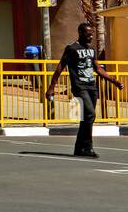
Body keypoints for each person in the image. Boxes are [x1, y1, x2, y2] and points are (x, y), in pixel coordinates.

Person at [46, 22, 124, 158]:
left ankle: (78, 148)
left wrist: (114, 81)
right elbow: (60, 67)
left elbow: (98, 69)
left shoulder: (92, 50)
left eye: (92, 34)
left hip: (91, 87)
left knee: (87, 119)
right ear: (80, 33)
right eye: (88, 34)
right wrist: (51, 87)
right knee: (90, 114)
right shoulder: (71, 48)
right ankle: (88, 147)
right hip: (79, 87)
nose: (91, 36)